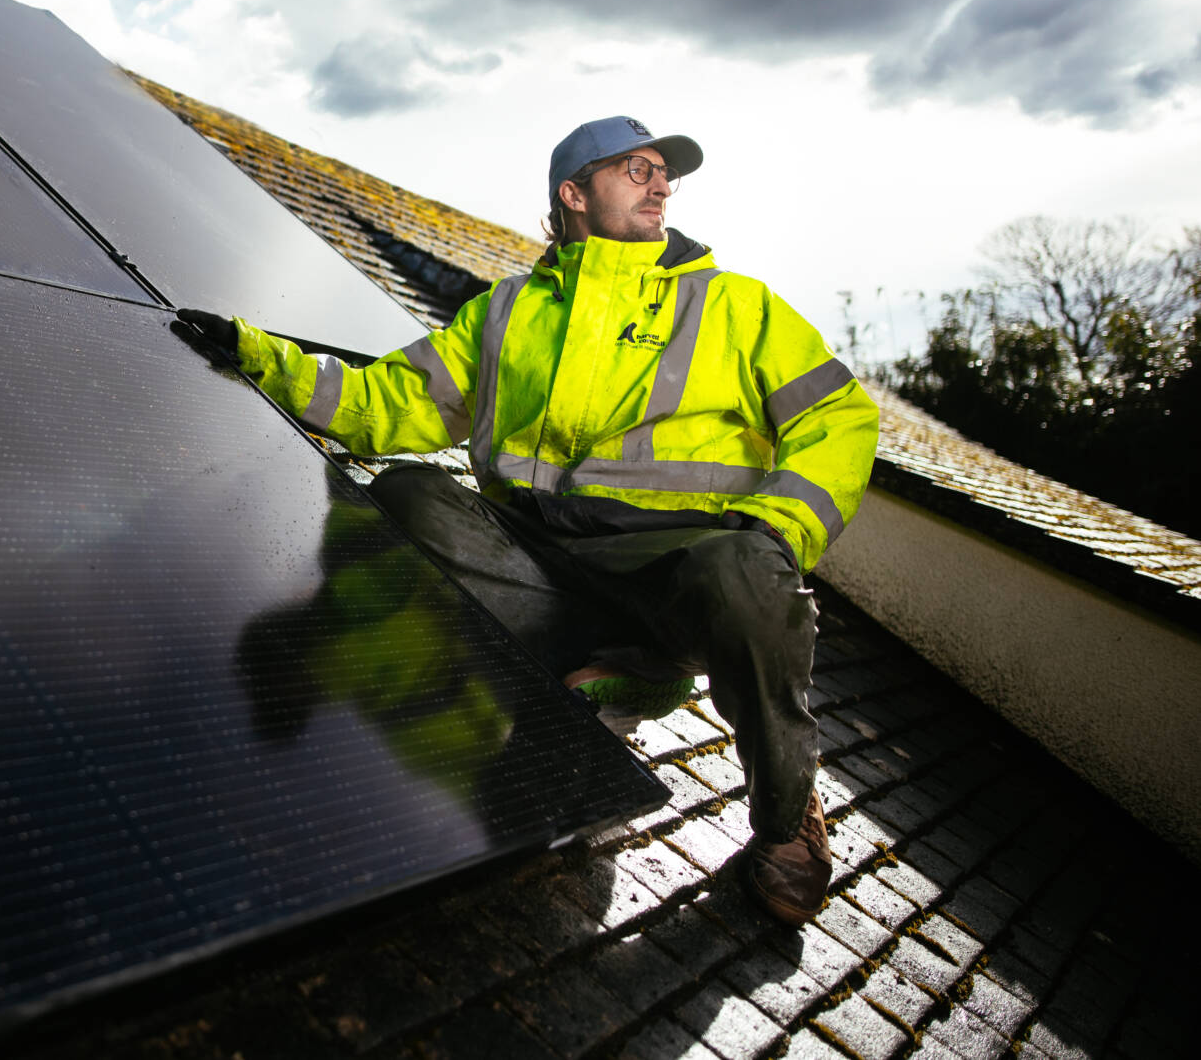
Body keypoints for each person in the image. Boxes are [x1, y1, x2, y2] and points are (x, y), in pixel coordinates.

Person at [176, 115, 880, 925]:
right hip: (539, 562)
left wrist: (776, 526)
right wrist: (260, 353)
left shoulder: (734, 305)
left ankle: (787, 816)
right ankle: (596, 666)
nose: (660, 184)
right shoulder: (506, 312)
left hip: (677, 571)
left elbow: (841, 416)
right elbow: (387, 401)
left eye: (664, 173)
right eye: (635, 168)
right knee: (407, 497)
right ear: (573, 194)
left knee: (748, 573)